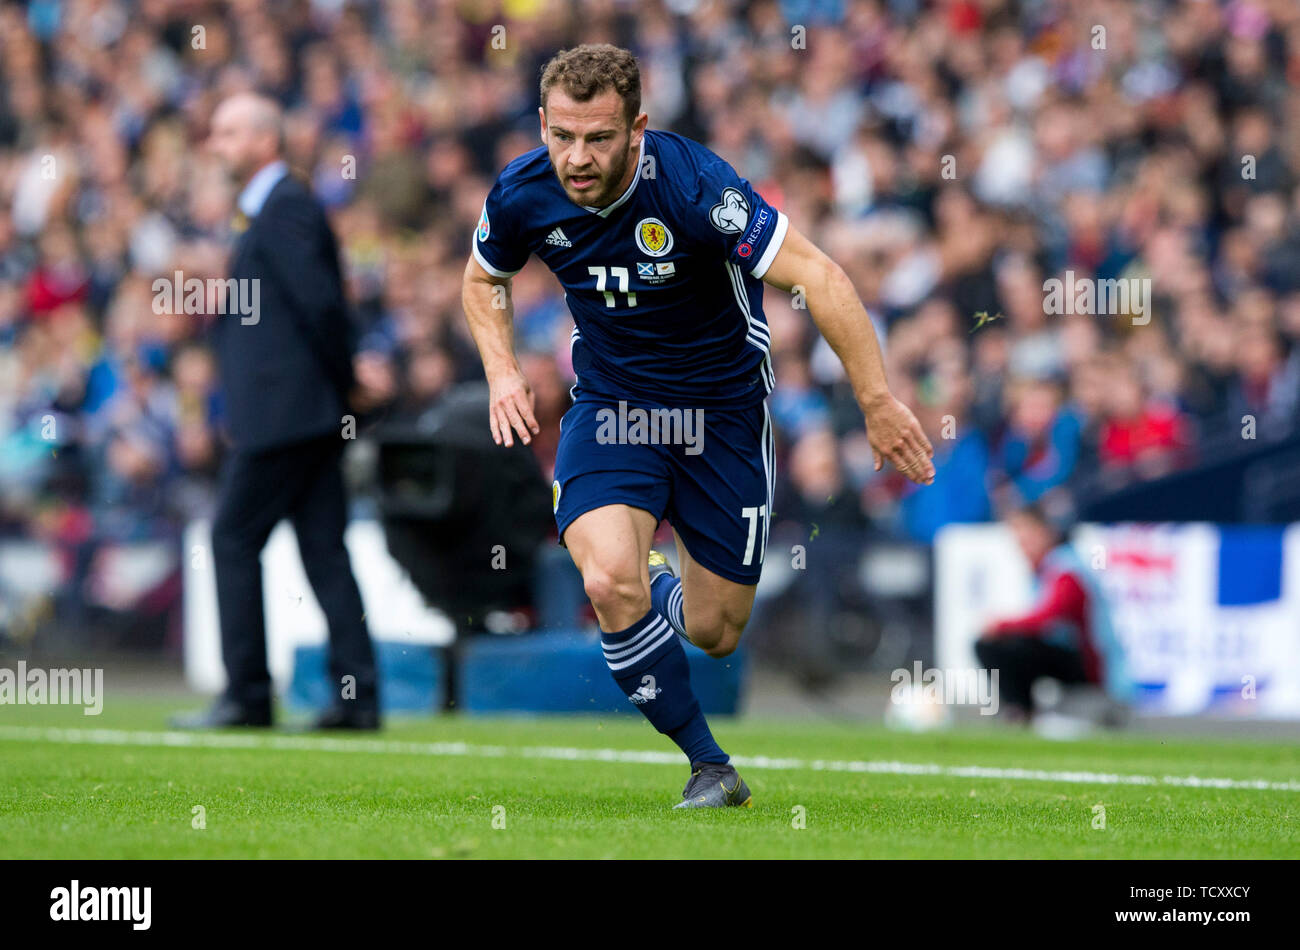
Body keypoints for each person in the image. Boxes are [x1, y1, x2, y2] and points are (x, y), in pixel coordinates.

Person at [461, 45, 933, 808]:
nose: (577, 159)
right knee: (606, 577)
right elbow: (484, 279)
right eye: (563, 137)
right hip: (615, 408)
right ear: (544, 125)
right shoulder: (522, 192)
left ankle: (654, 580)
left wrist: (876, 400)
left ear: (637, 128)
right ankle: (709, 765)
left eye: (600, 138)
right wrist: (502, 370)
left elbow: (819, 276)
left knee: (715, 631)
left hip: (721, 416)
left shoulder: (695, 186)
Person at [173, 94, 380, 731]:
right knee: (323, 550)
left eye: (229, 132)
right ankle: (358, 698)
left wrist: (344, 384)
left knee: (231, 537)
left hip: (289, 415)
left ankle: (249, 695)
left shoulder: (284, 205)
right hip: (302, 413)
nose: (216, 144)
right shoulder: (268, 211)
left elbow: (322, 305)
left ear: (266, 139)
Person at [975, 504, 1132, 720]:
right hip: (1073, 658)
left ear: (1046, 532)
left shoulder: (1066, 570)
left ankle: (1021, 711)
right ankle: (1021, 709)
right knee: (1010, 645)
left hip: (1089, 665)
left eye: (1026, 538)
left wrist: (1000, 624)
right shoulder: (1050, 569)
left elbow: (1048, 617)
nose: (1022, 546)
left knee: (997, 645)